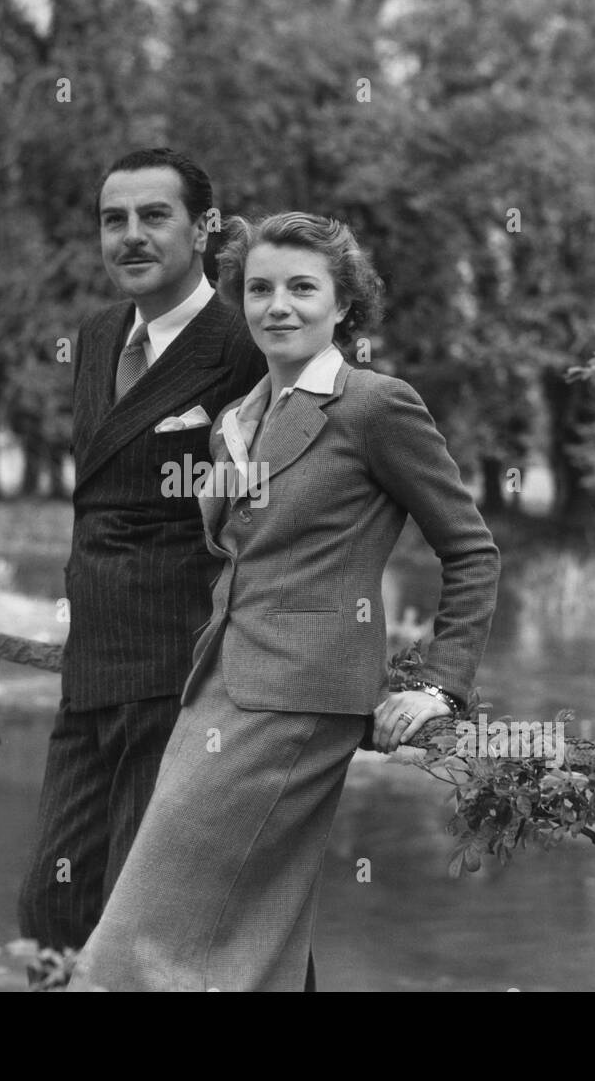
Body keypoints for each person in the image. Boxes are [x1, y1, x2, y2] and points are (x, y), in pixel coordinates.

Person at [68, 211, 501, 991]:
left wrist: (441, 686)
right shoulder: (232, 423)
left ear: (344, 306)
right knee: (251, 943)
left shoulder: (374, 404)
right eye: (261, 288)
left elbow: (470, 549)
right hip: (215, 690)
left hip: (299, 699)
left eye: (304, 288)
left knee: (129, 948)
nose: (280, 306)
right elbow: (238, 560)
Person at [17, 148, 266, 954]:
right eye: (112, 219)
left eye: (153, 216)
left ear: (204, 230)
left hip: (181, 673)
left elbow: (273, 512)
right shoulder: (95, 337)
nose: (130, 236)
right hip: (90, 665)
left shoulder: (244, 345)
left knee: (144, 922)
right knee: (51, 907)